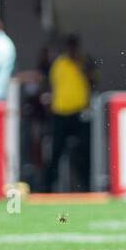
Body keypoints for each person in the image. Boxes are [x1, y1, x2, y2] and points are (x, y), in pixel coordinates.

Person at [45, 35, 92, 193]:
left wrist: (81, 66)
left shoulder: (84, 61)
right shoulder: (59, 64)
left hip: (79, 113)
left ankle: (86, 187)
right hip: (61, 113)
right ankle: (47, 188)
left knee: (83, 153)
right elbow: (51, 84)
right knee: (56, 152)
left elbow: (93, 80)